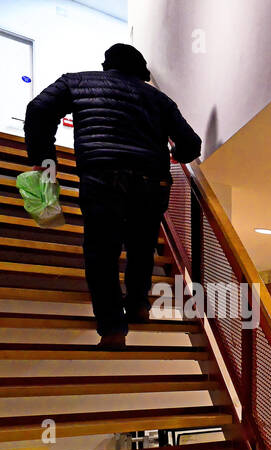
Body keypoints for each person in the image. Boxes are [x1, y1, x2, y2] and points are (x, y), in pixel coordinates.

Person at [24, 43, 201, 347]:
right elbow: (191, 144)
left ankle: (113, 328)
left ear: (107, 65)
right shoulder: (158, 99)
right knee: (142, 247)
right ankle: (138, 305)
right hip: (152, 182)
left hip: (102, 178)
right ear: (142, 70)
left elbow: (39, 109)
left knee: (102, 253)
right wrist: (174, 151)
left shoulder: (77, 81)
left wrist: (44, 158)